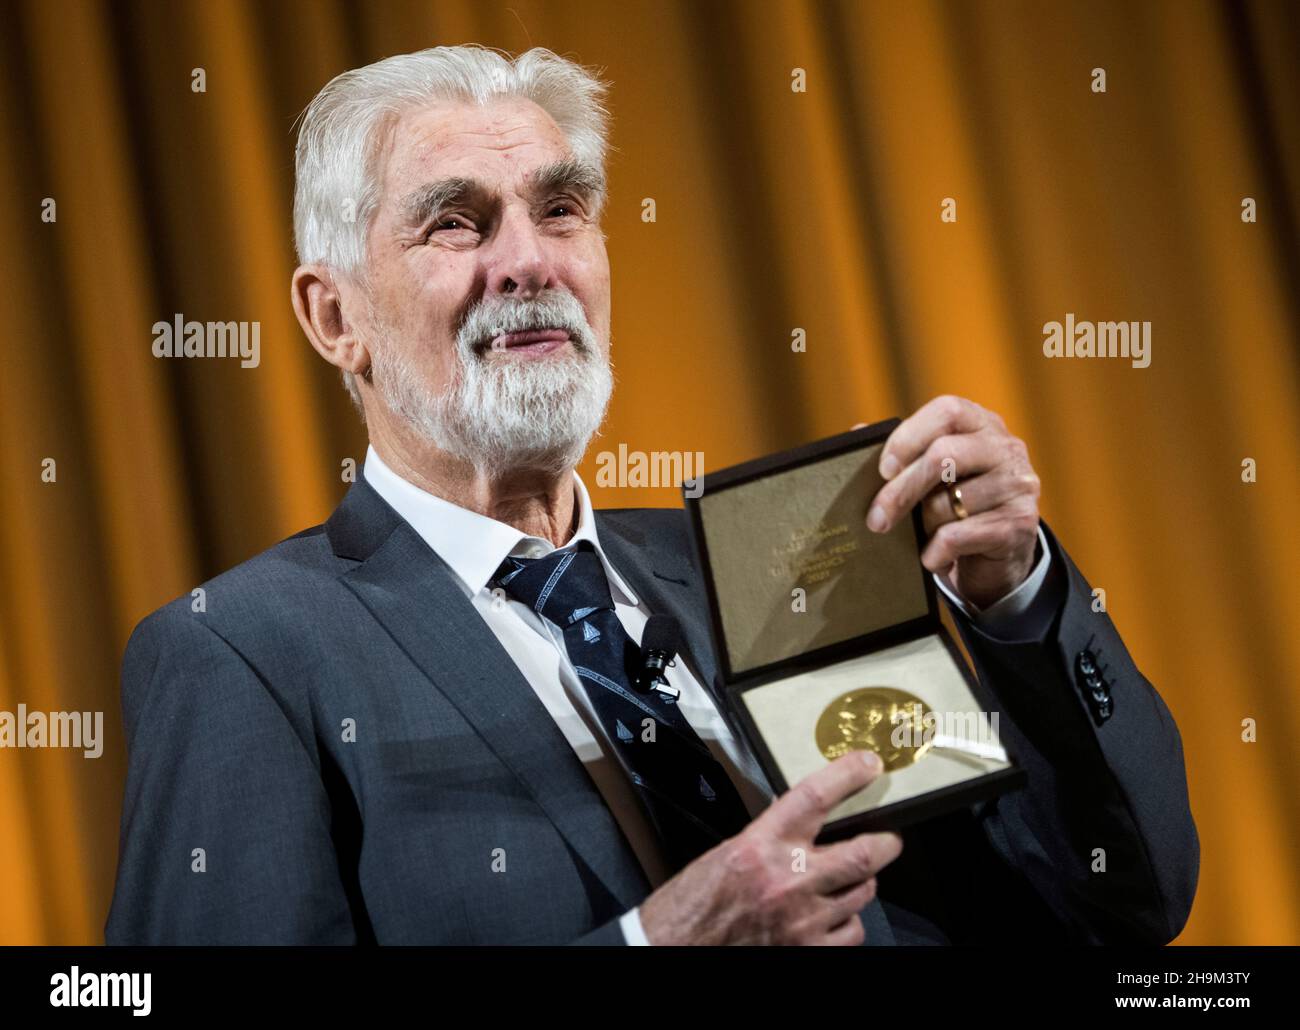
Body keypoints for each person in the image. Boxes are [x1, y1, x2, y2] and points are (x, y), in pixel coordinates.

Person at [104, 45, 1197, 946]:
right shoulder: (243, 652)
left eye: (562, 207)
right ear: (334, 316)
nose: (528, 260)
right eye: (457, 222)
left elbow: (1115, 906)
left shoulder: (773, 561)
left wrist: (1015, 601)